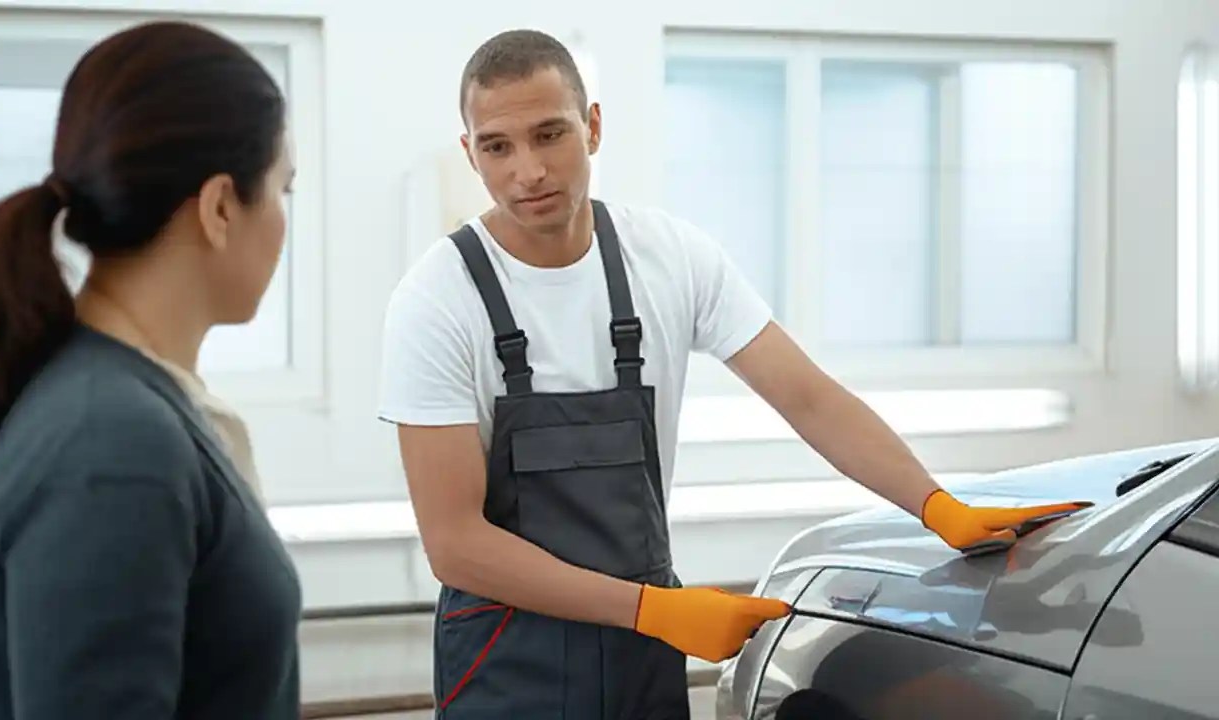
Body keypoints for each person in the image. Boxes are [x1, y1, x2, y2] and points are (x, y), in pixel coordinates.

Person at [377, 28, 1092, 718]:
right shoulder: (438, 299)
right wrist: (653, 608)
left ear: (592, 127)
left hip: (642, 658)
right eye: (498, 147)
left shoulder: (670, 258)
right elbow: (456, 544)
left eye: (549, 134)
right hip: (510, 664)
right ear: (470, 154)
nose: (526, 170)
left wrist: (936, 506)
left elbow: (806, 396)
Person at [0, 20, 301, 720]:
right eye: (285, 189)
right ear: (221, 206)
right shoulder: (112, 441)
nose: (285, 218)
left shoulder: (119, 405)